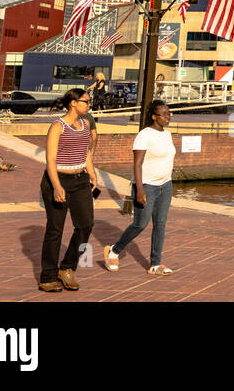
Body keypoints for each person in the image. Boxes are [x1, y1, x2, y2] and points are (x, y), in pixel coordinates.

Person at [104, 100, 176, 275]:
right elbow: (137, 164)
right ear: (154, 116)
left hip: (165, 185)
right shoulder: (144, 135)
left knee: (160, 224)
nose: (168, 117)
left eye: (169, 113)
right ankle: (114, 250)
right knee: (140, 224)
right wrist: (140, 189)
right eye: (164, 114)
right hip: (146, 186)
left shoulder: (167, 134)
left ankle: (155, 264)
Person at [38, 88, 98, 292]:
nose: (89, 105)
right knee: (55, 230)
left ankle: (67, 268)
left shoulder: (86, 124)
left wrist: (92, 174)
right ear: (73, 103)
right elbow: (51, 160)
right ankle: (47, 277)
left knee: (86, 225)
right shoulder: (57, 126)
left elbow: (86, 153)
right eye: (86, 102)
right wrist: (56, 186)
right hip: (58, 179)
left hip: (80, 180)